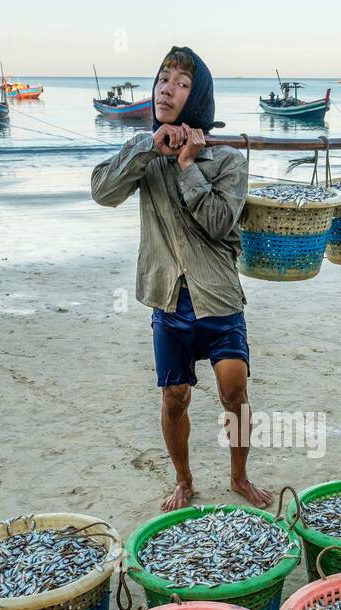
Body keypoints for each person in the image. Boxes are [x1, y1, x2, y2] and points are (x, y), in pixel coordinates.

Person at [91, 45, 271, 513]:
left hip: (218, 297)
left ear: (198, 98)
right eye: (162, 79)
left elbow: (217, 222)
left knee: (235, 393)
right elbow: (102, 191)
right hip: (169, 301)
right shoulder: (144, 154)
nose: (167, 88)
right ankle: (184, 480)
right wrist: (147, 146)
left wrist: (189, 166)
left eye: (182, 83)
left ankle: (239, 476)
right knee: (174, 397)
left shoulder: (227, 160)